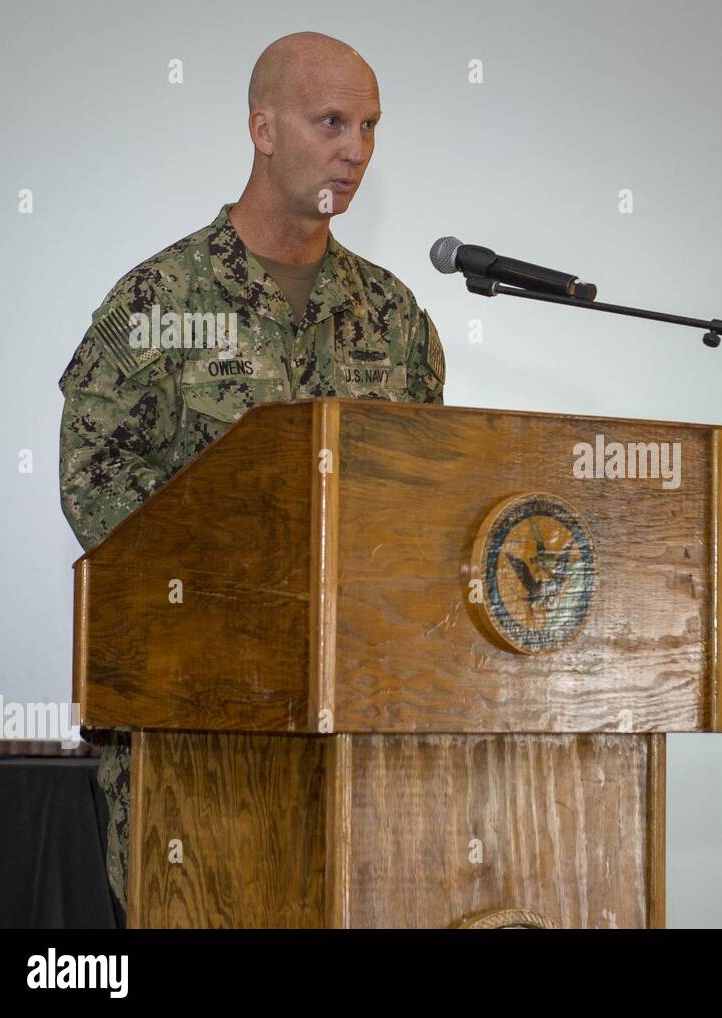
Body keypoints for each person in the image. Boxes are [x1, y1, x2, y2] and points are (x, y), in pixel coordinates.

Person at [57, 32, 445, 920]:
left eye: (371, 127)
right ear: (262, 129)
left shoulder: (392, 317)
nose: (356, 151)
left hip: (354, 736)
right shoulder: (160, 304)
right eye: (332, 122)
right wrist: (227, 572)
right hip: (196, 729)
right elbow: (92, 482)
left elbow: (421, 504)